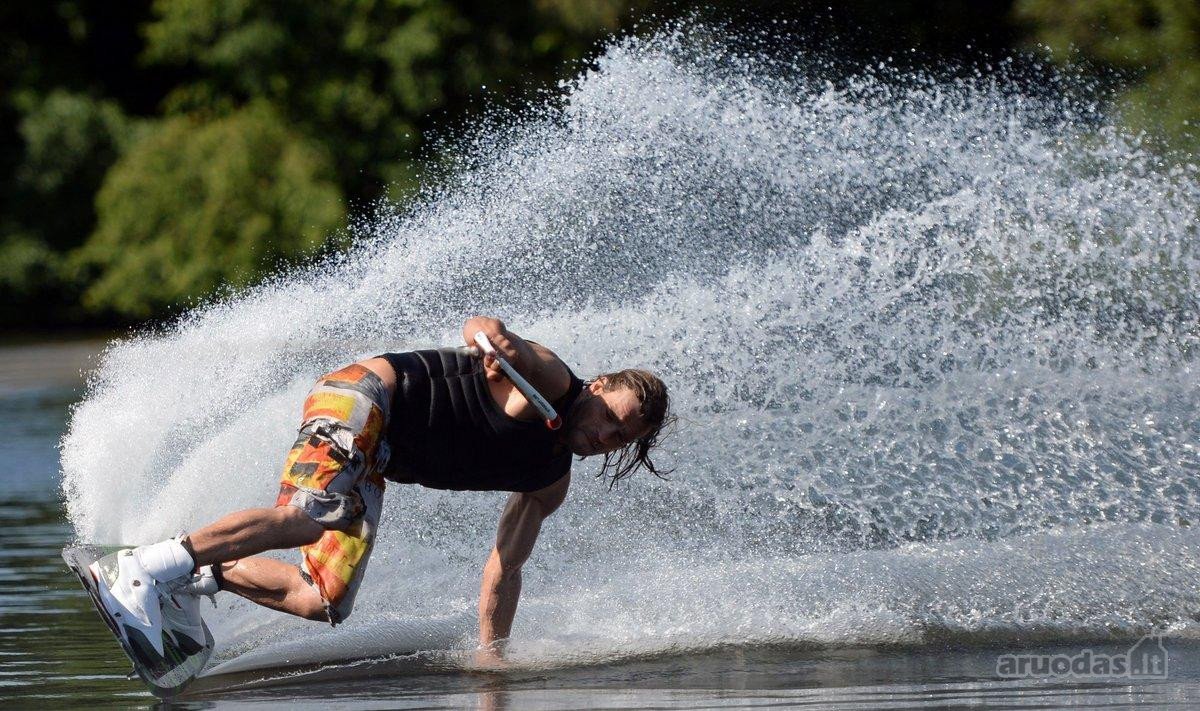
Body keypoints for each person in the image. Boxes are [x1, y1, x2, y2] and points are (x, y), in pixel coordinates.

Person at [92, 316, 672, 665]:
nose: (605, 436)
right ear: (597, 388)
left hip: (377, 456)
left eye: (621, 438)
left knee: (324, 600)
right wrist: (488, 346)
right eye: (608, 417)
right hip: (365, 395)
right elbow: (486, 328)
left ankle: (201, 576)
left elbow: (505, 567)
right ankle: (143, 565)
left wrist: (491, 659)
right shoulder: (549, 378)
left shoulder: (547, 482)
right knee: (309, 516)